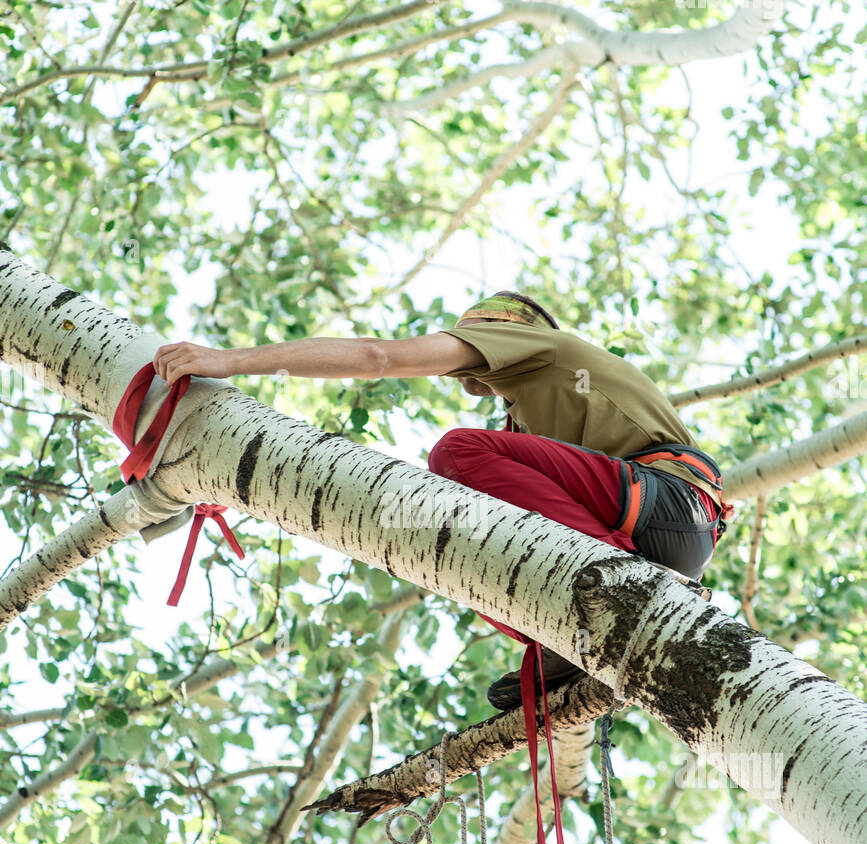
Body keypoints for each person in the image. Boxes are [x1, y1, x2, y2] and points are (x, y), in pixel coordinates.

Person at [153, 289, 731, 709]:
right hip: (658, 525)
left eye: (470, 330)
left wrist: (229, 362)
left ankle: (618, 589)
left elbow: (379, 358)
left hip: (669, 504)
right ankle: (564, 637)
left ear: (504, 329)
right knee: (458, 529)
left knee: (457, 452)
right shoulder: (528, 422)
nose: (459, 350)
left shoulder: (539, 345)